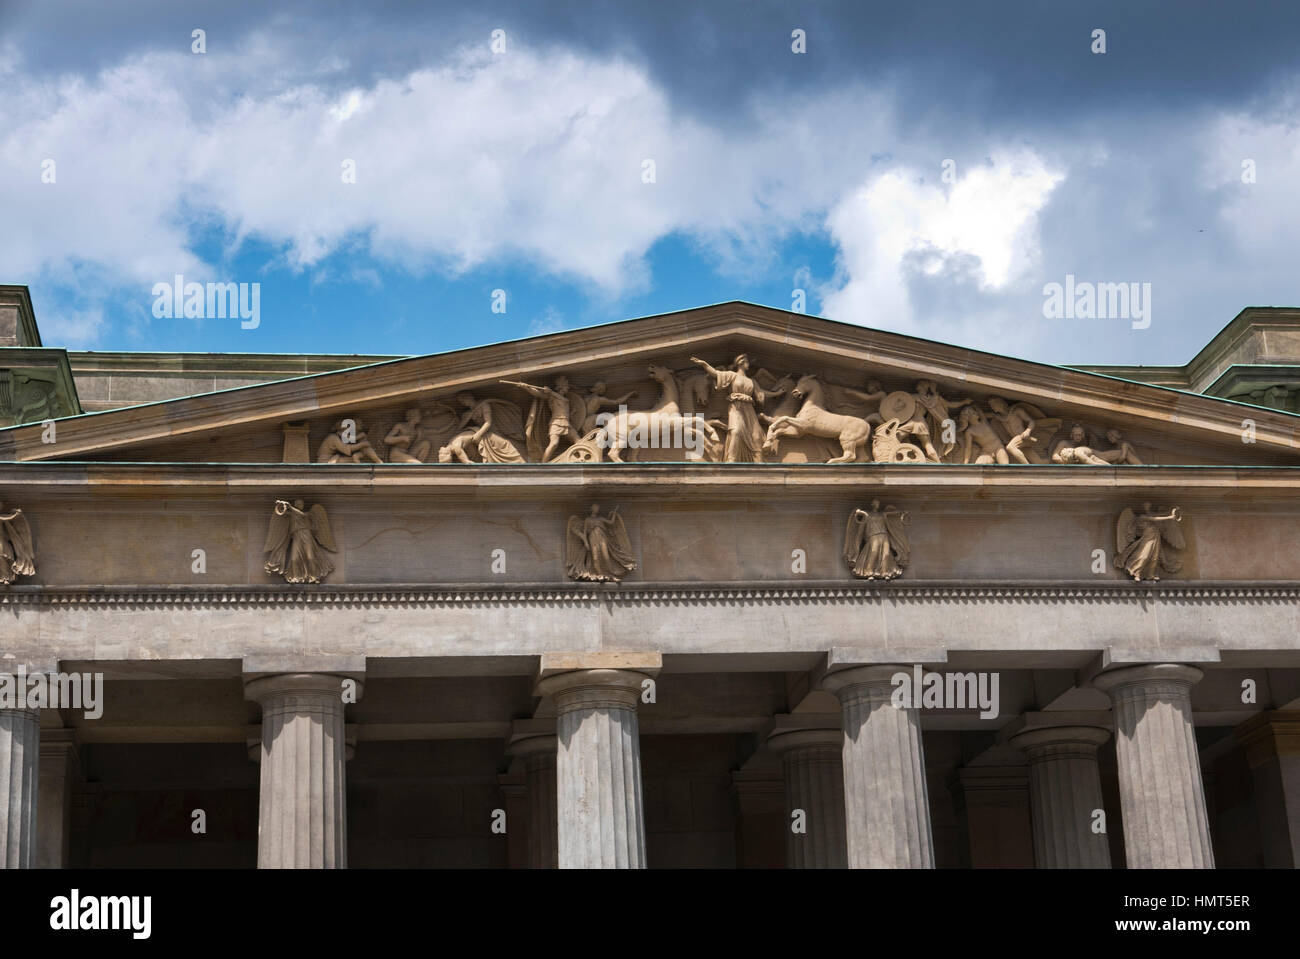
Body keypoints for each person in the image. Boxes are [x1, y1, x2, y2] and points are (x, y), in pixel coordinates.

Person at [689, 354, 784, 462]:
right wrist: (704, 364)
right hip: (736, 407)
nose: (748, 365)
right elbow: (715, 374)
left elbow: (761, 393)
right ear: (741, 363)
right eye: (747, 362)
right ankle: (731, 459)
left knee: (756, 435)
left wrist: (777, 393)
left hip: (749, 410)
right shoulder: (732, 375)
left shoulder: (752, 381)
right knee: (736, 431)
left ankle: (758, 460)